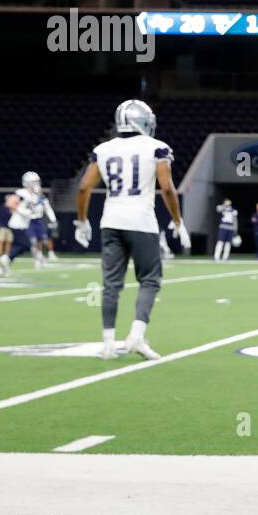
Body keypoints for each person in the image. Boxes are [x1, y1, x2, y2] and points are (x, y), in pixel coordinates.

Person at [74, 99, 190, 360]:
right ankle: (136, 336)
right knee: (149, 280)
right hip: (141, 220)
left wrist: (82, 220)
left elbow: (83, 188)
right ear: (144, 121)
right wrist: (178, 220)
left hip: (110, 220)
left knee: (111, 285)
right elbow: (168, 188)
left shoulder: (103, 149)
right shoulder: (156, 147)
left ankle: (107, 344)